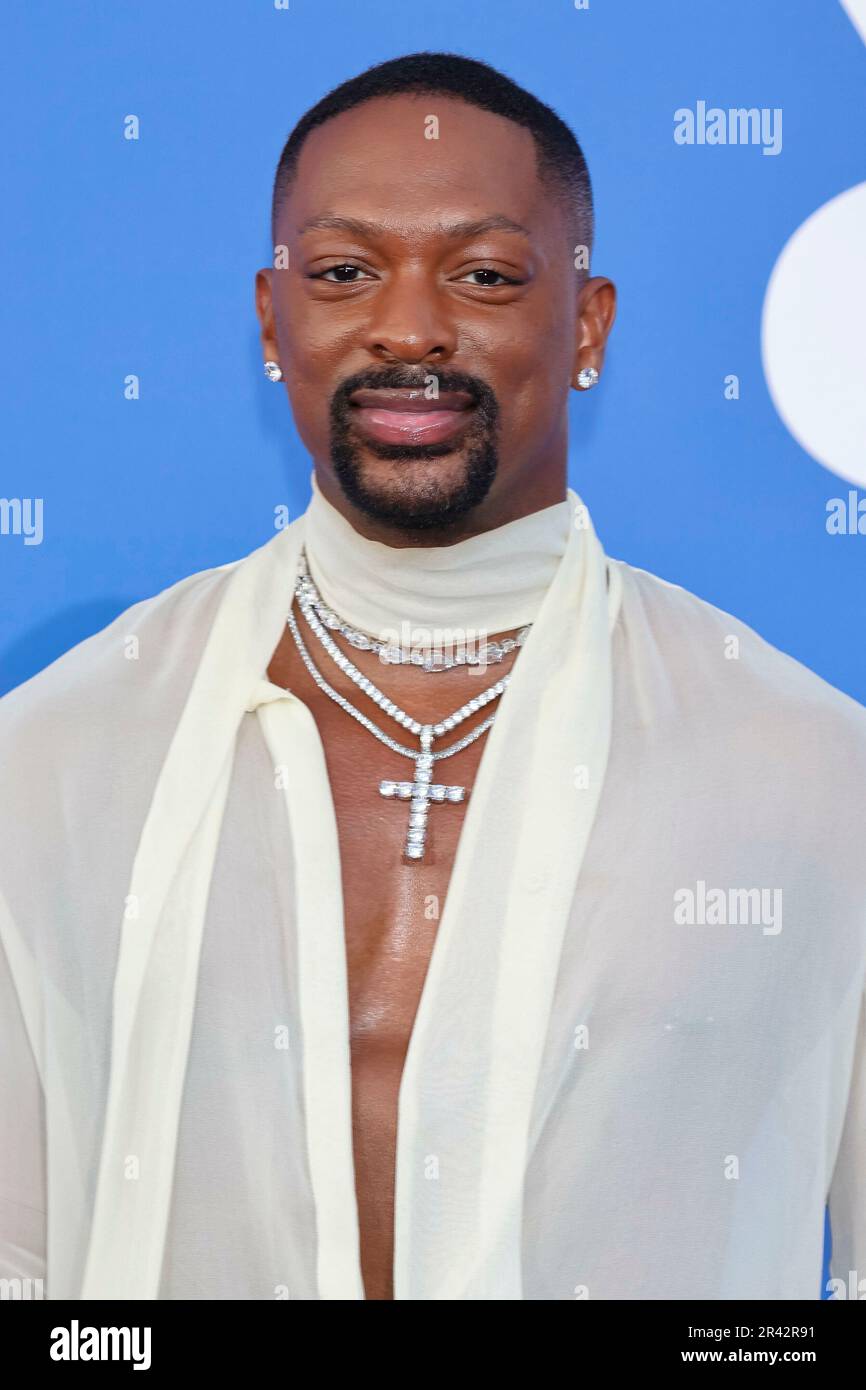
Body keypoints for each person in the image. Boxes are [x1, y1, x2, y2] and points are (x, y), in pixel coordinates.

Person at [1, 52, 864, 1303]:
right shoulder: (59, 753)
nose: (408, 327)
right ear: (269, 318)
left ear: (586, 325)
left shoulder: (809, 772)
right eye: (345, 272)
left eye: (485, 274)